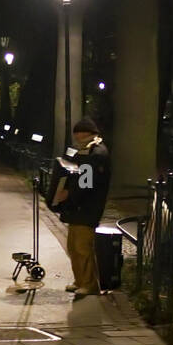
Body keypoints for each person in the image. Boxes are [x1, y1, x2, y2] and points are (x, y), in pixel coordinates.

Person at [51, 117, 111, 299]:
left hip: (87, 207)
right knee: (73, 246)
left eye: (79, 132)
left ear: (88, 133)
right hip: (78, 207)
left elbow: (86, 183)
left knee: (82, 246)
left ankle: (89, 284)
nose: (76, 136)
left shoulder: (95, 153)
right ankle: (80, 280)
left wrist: (69, 194)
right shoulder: (87, 150)